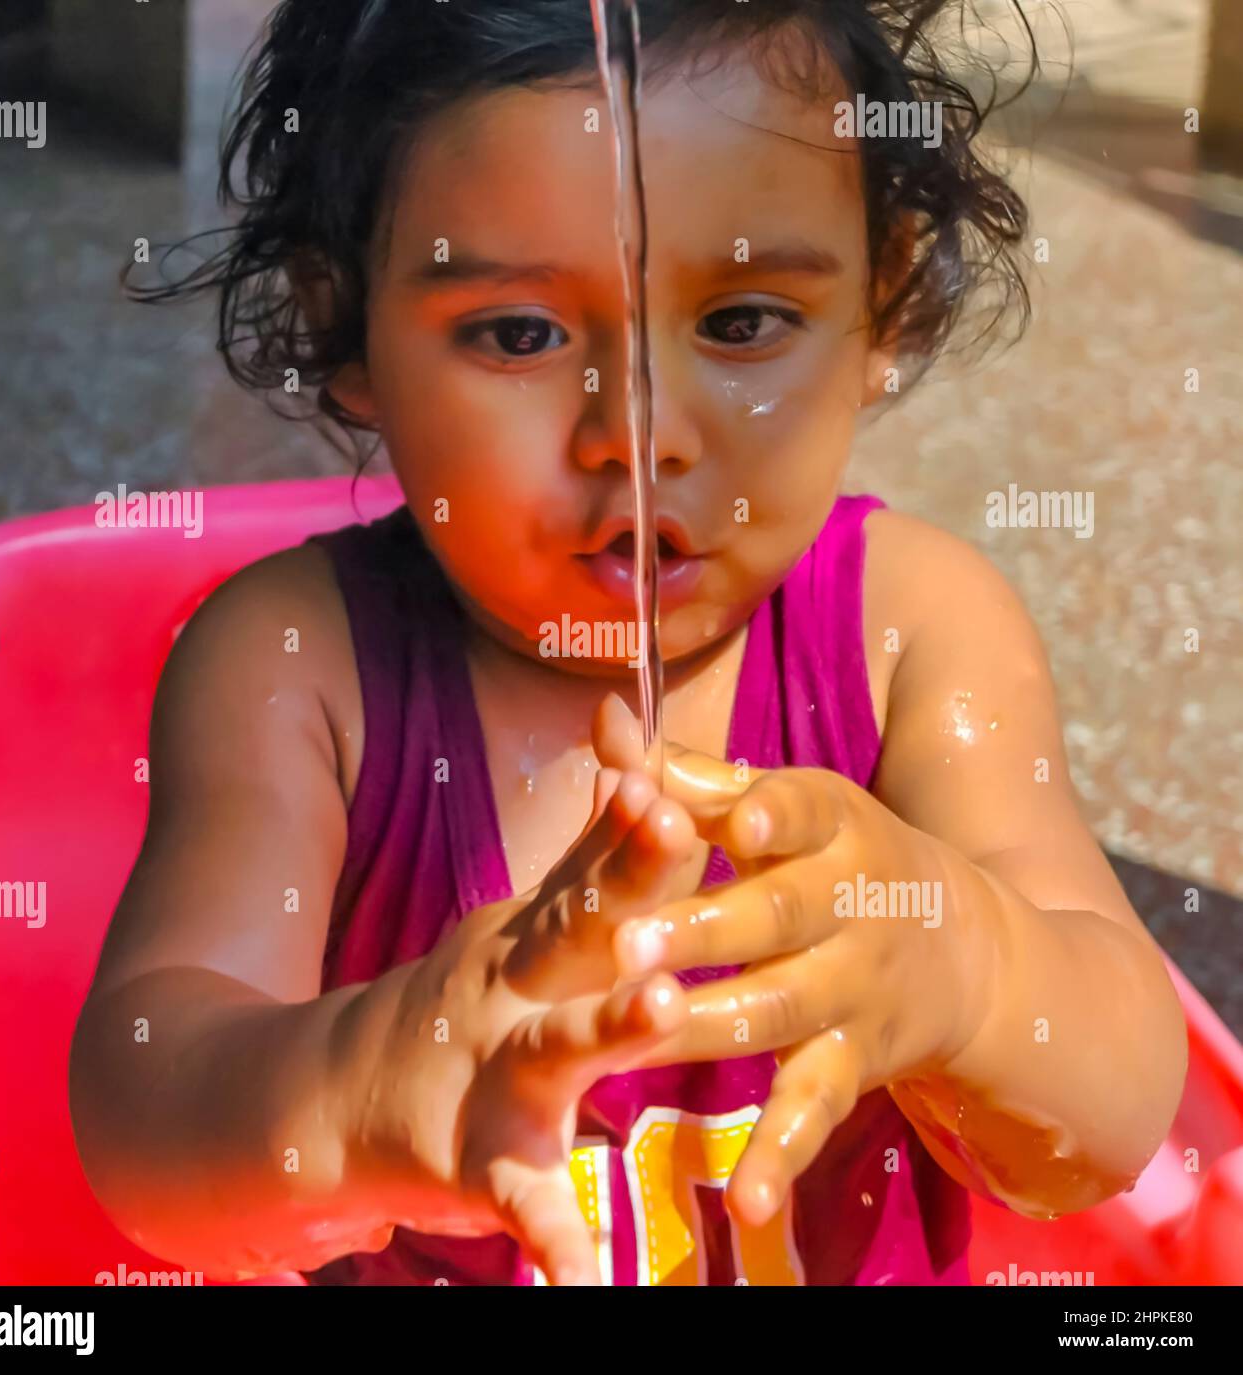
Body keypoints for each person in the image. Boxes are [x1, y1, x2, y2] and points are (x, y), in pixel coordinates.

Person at [70, 0, 1187, 1286]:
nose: (637, 436)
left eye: (743, 320)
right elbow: (146, 1109)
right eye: (519, 334)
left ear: (879, 302)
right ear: (348, 321)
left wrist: (969, 969)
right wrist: (360, 1085)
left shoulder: (912, 634)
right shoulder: (295, 671)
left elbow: (1111, 1114)